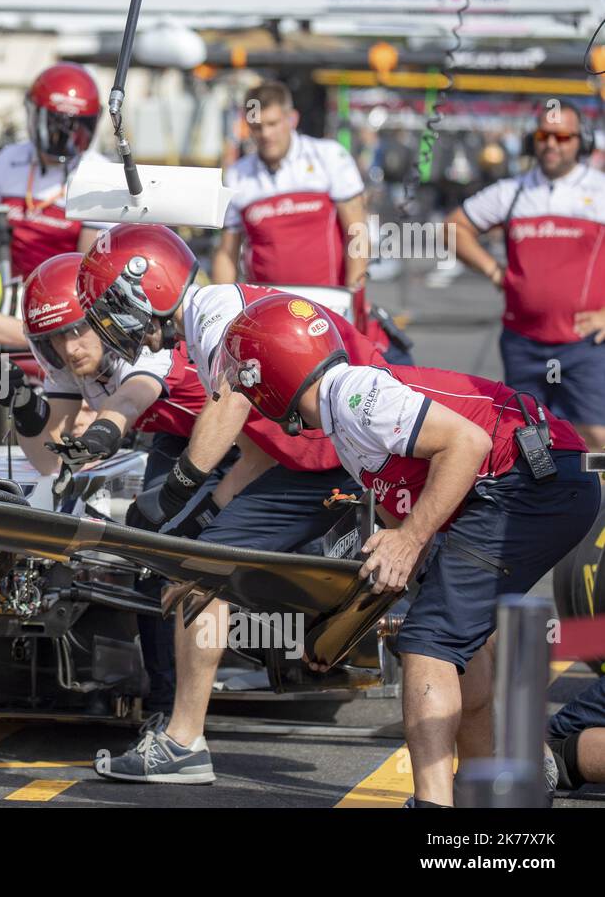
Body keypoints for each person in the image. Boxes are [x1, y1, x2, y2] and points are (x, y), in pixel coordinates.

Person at [216, 293, 598, 806]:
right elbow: (406, 531)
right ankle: (485, 792)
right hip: (540, 479)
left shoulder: (353, 396)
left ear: (272, 376)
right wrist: (342, 628)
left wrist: (411, 537)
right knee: (461, 640)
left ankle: (434, 804)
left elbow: (467, 445)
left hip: (530, 479)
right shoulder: (342, 421)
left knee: (428, 643)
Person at [74, 223, 391, 783]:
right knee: (201, 562)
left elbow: (230, 408)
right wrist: (199, 516)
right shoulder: (214, 320)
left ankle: (183, 744)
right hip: (328, 457)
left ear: (143, 290)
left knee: (201, 577)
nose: (107, 325)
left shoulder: (218, 314)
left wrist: (173, 492)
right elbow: (262, 451)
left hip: (351, 454)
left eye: (110, 306)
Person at [0, 250, 208, 712]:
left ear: (106, 318)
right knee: (147, 548)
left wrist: (95, 439)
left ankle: (173, 702)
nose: (70, 348)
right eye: (54, 338)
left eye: (78, 330)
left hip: (236, 435)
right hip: (178, 436)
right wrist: (19, 402)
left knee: (165, 545)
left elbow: (127, 405)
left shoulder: (146, 347)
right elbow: (48, 461)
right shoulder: (73, 363)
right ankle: (162, 698)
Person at [212, 81, 409, 364]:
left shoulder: (329, 156)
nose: (265, 134)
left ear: (292, 119)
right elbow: (226, 252)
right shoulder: (238, 175)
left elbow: (357, 231)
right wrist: (223, 311)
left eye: (273, 123)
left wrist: (354, 295)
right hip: (269, 313)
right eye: (257, 126)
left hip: (329, 306)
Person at [448, 98, 605, 452]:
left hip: (585, 346)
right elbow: (453, 227)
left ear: (583, 141)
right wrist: (492, 270)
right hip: (524, 342)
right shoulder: (513, 192)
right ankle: (545, 507)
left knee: (595, 438)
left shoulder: (599, 191)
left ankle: (597, 505)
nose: (552, 143)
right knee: (528, 437)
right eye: (544, 135)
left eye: (563, 136)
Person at [0, 63, 110, 280]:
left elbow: (88, 266)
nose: (59, 140)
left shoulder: (99, 175)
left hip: (64, 299)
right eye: (52, 128)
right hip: (10, 290)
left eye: (70, 131)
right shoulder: (8, 160)